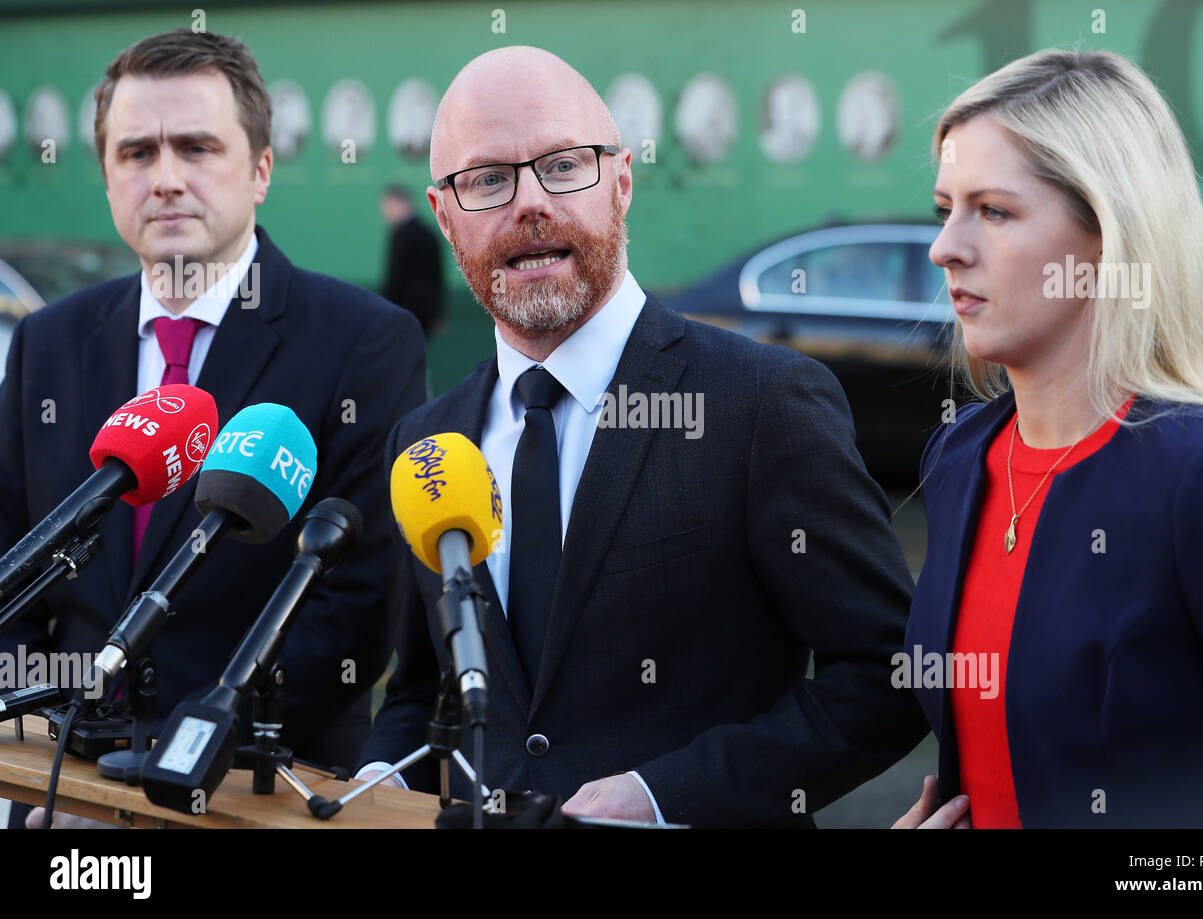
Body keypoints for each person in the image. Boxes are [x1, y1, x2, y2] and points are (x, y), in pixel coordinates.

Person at [356, 46, 928, 827]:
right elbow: (425, 690)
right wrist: (384, 777)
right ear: (444, 213)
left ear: (622, 181)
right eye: (488, 178)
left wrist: (667, 795)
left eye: (563, 164)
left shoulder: (761, 402)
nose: (529, 201)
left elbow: (892, 673)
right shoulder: (426, 442)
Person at [0, 29, 426, 827]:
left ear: (260, 169)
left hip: (257, 791)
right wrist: (50, 743)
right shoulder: (47, 341)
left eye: (196, 147)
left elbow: (358, 608)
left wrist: (176, 756)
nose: (165, 179)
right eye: (136, 153)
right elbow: (13, 572)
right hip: (56, 786)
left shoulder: (363, 340)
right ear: (105, 173)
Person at [896, 48, 1203, 828]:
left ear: (1107, 240)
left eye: (994, 210)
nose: (946, 246)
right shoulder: (959, 456)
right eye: (944, 207)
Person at [380, 184, 446, 339]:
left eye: (388, 207)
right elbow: (438, 276)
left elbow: (395, 276)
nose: (386, 213)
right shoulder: (429, 232)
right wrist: (437, 312)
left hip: (402, 311)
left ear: (402, 203)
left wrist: (384, 308)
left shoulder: (401, 235)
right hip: (426, 313)